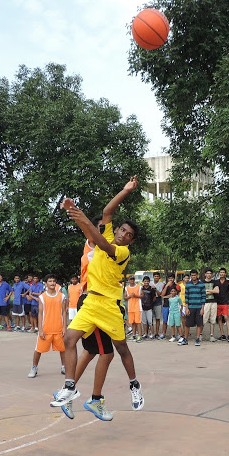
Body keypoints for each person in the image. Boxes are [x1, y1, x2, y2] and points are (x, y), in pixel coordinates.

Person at [51, 176, 145, 417]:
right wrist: (125, 190)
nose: (123, 233)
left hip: (110, 306)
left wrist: (80, 216)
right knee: (69, 339)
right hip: (90, 301)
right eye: (122, 229)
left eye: (128, 234)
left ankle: (134, 384)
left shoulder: (121, 252)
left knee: (120, 349)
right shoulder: (99, 239)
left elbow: (102, 242)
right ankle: (70, 387)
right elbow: (107, 211)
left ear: (131, 241)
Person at [29, 274, 67, 378]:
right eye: (50, 281)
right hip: (46, 329)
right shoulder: (42, 297)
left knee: (63, 350)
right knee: (38, 350)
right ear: (46, 283)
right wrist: (40, 329)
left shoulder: (61, 296)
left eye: (54, 281)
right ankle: (34, 368)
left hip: (58, 328)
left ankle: (64, 366)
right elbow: (40, 314)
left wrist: (64, 327)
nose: (52, 283)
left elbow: (64, 312)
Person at [183, 270, 206, 346]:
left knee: (199, 324)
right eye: (192, 275)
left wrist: (202, 308)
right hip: (190, 307)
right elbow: (186, 297)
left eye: (195, 275)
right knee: (187, 324)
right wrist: (187, 308)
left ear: (197, 275)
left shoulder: (202, 285)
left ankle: (197, 339)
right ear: (190, 276)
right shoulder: (188, 285)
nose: (193, 276)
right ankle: (185, 339)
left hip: (199, 307)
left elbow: (203, 297)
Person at [215, 268, 229, 342]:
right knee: (219, 318)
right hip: (218, 302)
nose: (222, 273)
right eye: (221, 272)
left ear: (225, 274)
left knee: (226, 318)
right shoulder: (215, 282)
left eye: (223, 272)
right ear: (219, 273)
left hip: (225, 302)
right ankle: (222, 335)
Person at [202, 269, 219, 341]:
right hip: (205, 302)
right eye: (207, 273)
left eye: (210, 273)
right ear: (205, 274)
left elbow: (217, 291)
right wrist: (212, 291)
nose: (209, 275)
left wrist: (208, 291)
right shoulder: (202, 282)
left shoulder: (215, 282)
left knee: (213, 319)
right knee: (203, 319)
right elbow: (202, 293)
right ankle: (200, 334)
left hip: (214, 302)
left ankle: (212, 335)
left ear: (212, 275)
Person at [124, 275, 143, 342]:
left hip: (137, 306)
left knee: (138, 322)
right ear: (128, 280)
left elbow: (142, 295)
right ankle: (134, 335)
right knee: (133, 322)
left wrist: (135, 296)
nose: (132, 280)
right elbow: (125, 297)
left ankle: (140, 335)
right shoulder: (127, 288)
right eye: (130, 279)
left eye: (133, 279)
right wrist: (130, 296)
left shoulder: (139, 287)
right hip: (130, 307)